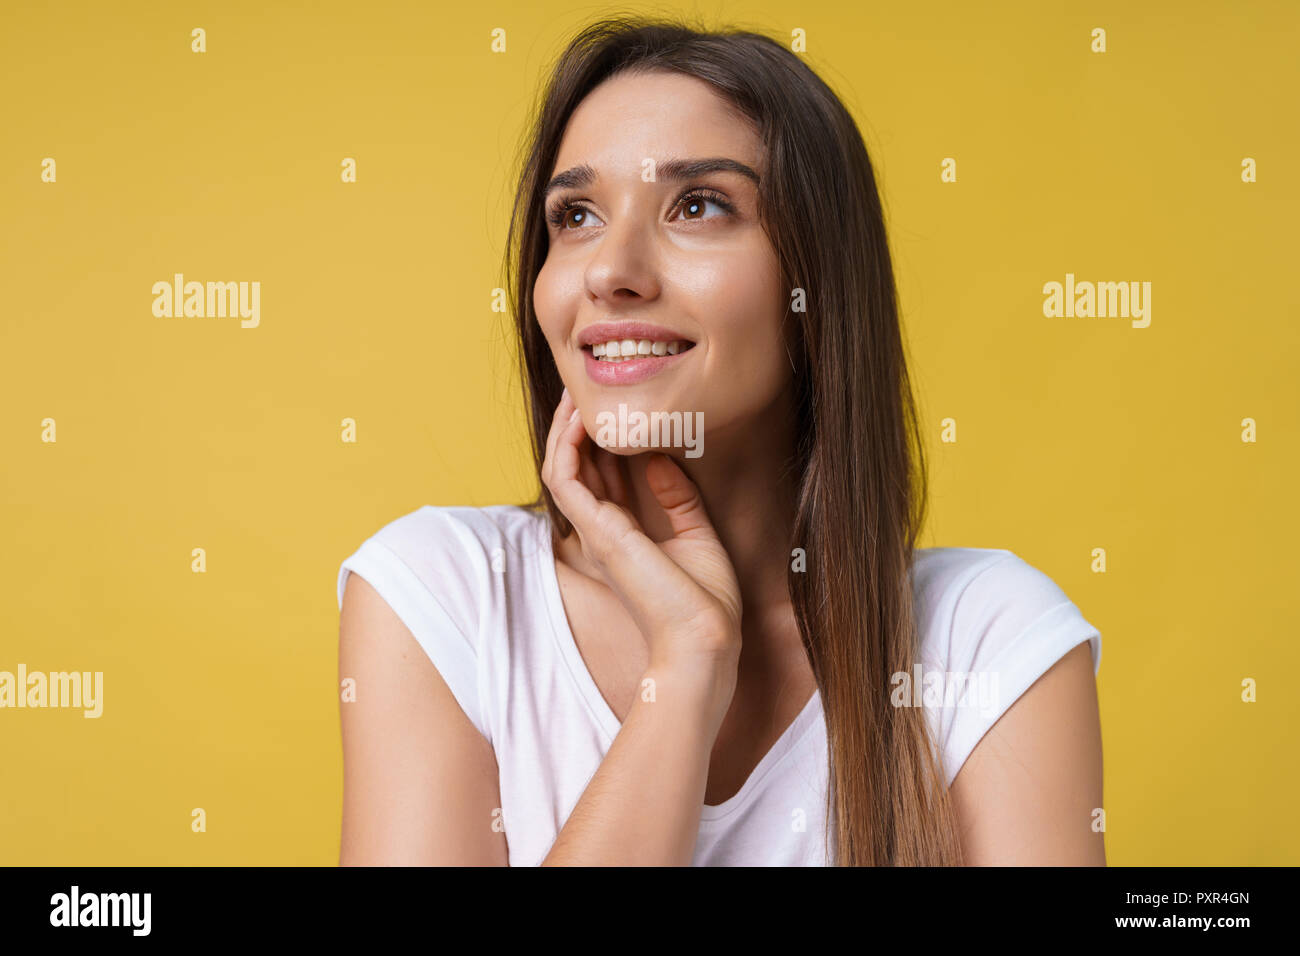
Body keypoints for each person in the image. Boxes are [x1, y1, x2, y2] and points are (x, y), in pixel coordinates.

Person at [336, 17, 1105, 866]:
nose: (609, 269)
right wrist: (690, 659)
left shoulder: (987, 638)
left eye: (698, 205)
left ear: (815, 282)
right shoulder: (444, 595)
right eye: (578, 214)